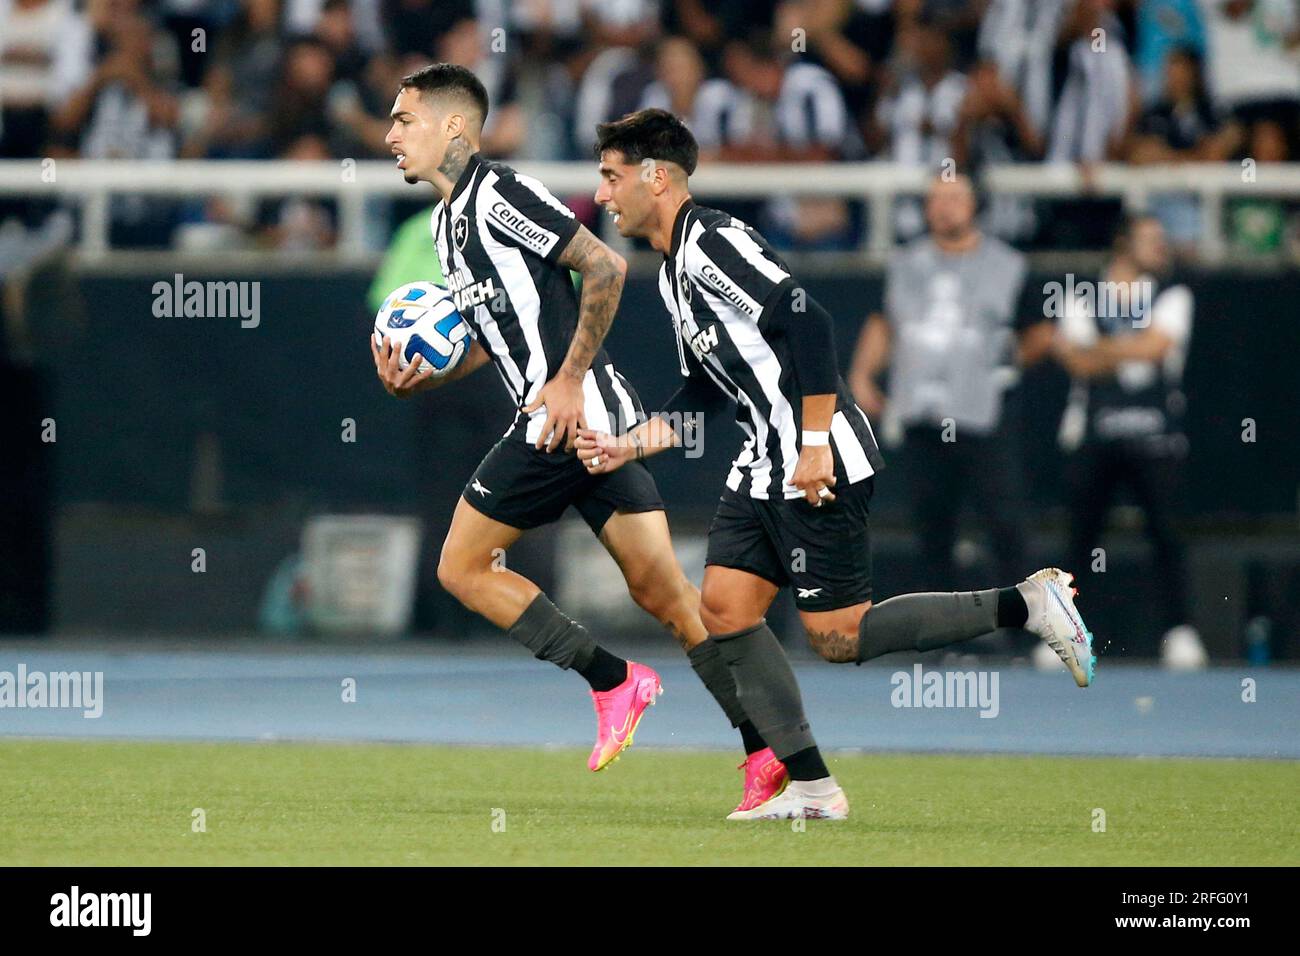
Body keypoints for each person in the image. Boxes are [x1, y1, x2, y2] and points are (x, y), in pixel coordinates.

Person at [579, 108, 1097, 821]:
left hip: (810, 457)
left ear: (657, 177)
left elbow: (808, 320)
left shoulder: (713, 244)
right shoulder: (673, 272)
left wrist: (815, 442)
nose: (602, 194)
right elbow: (706, 384)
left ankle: (1030, 604)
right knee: (724, 609)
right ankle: (816, 790)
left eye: (611, 176)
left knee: (839, 635)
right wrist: (630, 442)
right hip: (763, 460)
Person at [372, 65, 779, 814]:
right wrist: (427, 377)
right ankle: (767, 753)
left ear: (453, 127)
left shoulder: (499, 194)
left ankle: (612, 679)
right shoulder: (443, 223)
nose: (390, 135)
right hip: (598, 421)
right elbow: (498, 340)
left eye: (403, 120)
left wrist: (564, 380)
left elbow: (604, 266)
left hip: (564, 417)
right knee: (670, 597)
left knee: (462, 569)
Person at [849, 174, 1050, 601]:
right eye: (936, 199)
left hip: (982, 414)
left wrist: (1002, 365)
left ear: (975, 204)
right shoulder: (906, 263)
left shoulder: (1007, 264)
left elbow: (1040, 331)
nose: (944, 207)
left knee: (1005, 520)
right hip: (922, 414)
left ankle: (1029, 626)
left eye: (955, 197)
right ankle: (942, 633)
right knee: (932, 525)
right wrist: (863, 375)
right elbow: (883, 321)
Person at [1052, 214, 1207, 667]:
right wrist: (1131, 345)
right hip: (1094, 434)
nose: (1161, 247)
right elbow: (1079, 366)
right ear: (1123, 243)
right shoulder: (1082, 295)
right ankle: (1067, 633)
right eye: (1150, 239)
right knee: (1080, 540)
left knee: (1166, 535)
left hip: (1156, 436)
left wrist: (1102, 347)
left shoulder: (1173, 294)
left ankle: (1179, 630)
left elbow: (1156, 348)